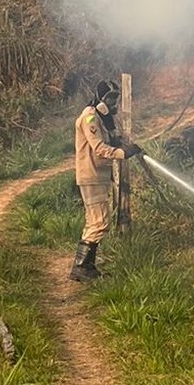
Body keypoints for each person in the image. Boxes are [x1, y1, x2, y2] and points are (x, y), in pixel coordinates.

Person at [71, 79, 141, 281]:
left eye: (115, 98)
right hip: (91, 175)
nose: (113, 103)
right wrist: (121, 153)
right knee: (100, 222)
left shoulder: (102, 118)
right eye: (109, 98)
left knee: (94, 221)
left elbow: (111, 139)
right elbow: (99, 148)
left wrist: (122, 144)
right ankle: (81, 267)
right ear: (99, 98)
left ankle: (88, 267)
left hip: (98, 175)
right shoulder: (90, 118)